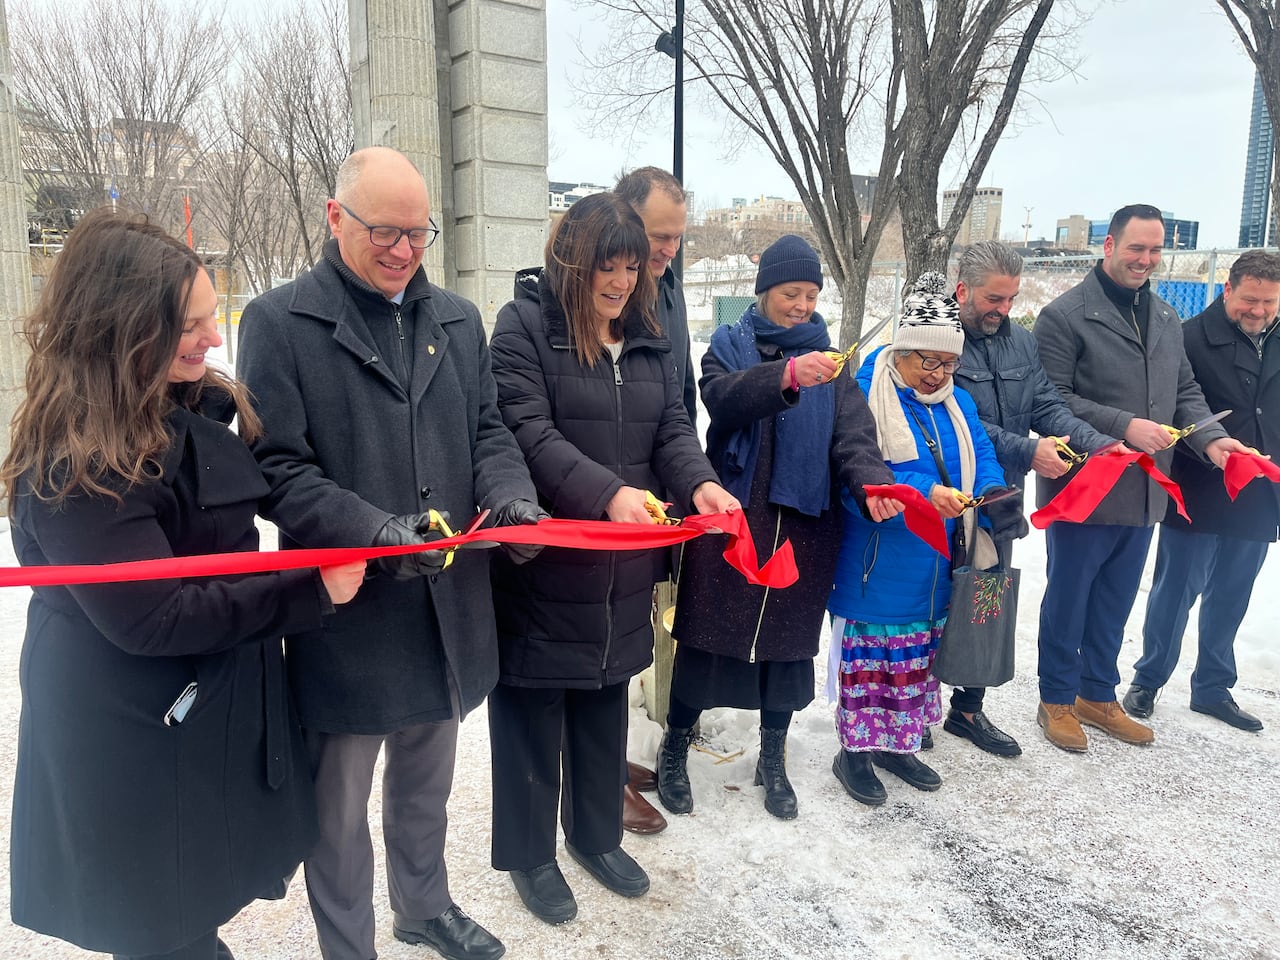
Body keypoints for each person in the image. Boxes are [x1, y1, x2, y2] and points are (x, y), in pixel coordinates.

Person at [2, 209, 366, 960]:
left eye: (210, 316)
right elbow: (152, 616)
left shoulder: (167, 401)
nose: (212, 339)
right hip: (130, 726)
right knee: (157, 915)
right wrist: (308, 590)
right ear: (123, 332)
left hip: (190, 705)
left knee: (189, 901)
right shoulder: (79, 459)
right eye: (189, 326)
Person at [238, 147, 542, 960]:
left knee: (425, 785)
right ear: (335, 217)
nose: (404, 250)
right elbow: (277, 469)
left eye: (418, 233)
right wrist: (373, 532)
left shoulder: (458, 320)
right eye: (385, 232)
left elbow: (488, 432)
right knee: (337, 811)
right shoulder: (278, 323)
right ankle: (350, 947)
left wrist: (510, 495)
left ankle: (423, 907)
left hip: (446, 608)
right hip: (348, 615)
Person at [487, 192, 740, 925]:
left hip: (623, 567)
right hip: (546, 564)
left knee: (603, 705)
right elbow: (527, 432)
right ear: (574, 260)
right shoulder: (522, 327)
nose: (624, 281)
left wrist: (700, 484)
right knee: (533, 716)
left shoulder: (649, 333)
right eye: (610, 266)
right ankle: (529, 854)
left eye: (633, 267)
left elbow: (672, 428)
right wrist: (608, 495)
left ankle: (595, 835)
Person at [656, 235, 899, 821]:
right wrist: (787, 375)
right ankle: (675, 746)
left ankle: (773, 756)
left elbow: (853, 437)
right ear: (764, 290)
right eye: (792, 293)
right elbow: (721, 399)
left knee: (788, 651)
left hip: (804, 527)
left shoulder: (833, 365)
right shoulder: (729, 345)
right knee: (704, 638)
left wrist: (872, 483)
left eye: (812, 295)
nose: (803, 305)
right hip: (734, 520)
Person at [1033, 204, 1249, 752]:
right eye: (1136, 248)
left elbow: (1184, 393)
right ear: (1109, 246)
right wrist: (1123, 424)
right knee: (1069, 598)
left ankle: (1096, 695)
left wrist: (1211, 439)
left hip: (1146, 490)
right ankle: (1056, 698)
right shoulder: (1064, 315)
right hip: (1086, 489)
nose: (1146, 259)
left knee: (1116, 598)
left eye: (1155, 250)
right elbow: (1051, 399)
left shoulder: (1166, 317)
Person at [827, 273, 1005, 806]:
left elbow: (981, 453)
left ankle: (898, 747)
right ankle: (855, 753)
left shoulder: (959, 402)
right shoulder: (865, 394)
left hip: (935, 562)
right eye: (927, 361)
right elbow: (861, 469)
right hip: (877, 558)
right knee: (872, 663)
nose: (937, 374)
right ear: (900, 351)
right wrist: (926, 492)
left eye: (948, 363)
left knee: (914, 663)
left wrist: (990, 490)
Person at [949, 240, 1116, 758]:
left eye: (1011, 299)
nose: (1003, 309)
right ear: (963, 290)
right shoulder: (935, 338)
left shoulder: (1021, 343)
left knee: (987, 598)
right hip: (947, 491)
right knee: (933, 599)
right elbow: (959, 422)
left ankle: (968, 707)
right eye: (994, 299)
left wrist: (1096, 443)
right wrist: (1027, 450)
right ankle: (915, 705)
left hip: (1001, 498)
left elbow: (1047, 405)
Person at [1123, 249, 1280, 732]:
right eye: (1249, 300)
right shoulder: (1189, 337)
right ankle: (1148, 679)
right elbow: (1172, 404)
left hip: (1260, 489)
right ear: (1227, 289)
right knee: (1176, 590)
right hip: (1200, 485)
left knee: (1232, 593)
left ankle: (1213, 687)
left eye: (1269, 302)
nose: (1258, 311)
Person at [613, 165, 698, 834]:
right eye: (657, 235)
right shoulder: (602, 287)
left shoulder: (667, 288)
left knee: (629, 634)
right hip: (610, 491)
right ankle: (595, 774)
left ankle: (605, 756)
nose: (667, 249)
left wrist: (690, 478)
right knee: (602, 636)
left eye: (676, 237)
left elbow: (679, 394)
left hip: (661, 486)